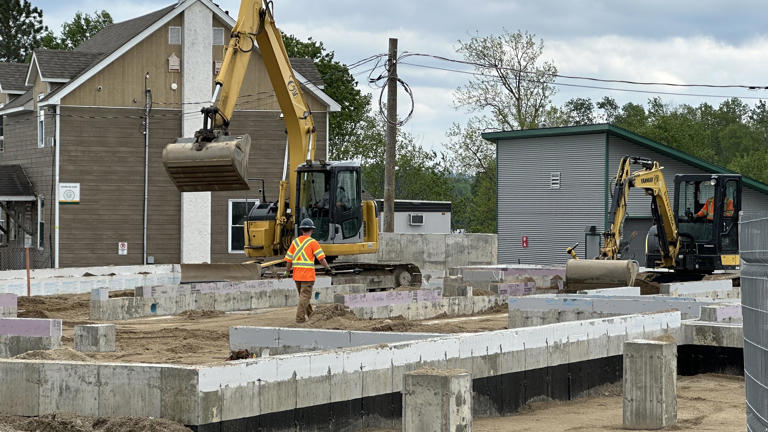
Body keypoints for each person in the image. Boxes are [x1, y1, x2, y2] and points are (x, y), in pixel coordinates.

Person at [283, 218, 333, 323]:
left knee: (303, 297)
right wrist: (327, 268)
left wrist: (287, 272)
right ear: (311, 230)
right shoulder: (313, 242)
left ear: (302, 230)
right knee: (305, 297)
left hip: (297, 276)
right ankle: (300, 318)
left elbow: (288, 260)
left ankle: (311, 315)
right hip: (307, 276)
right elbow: (321, 258)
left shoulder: (295, 242)